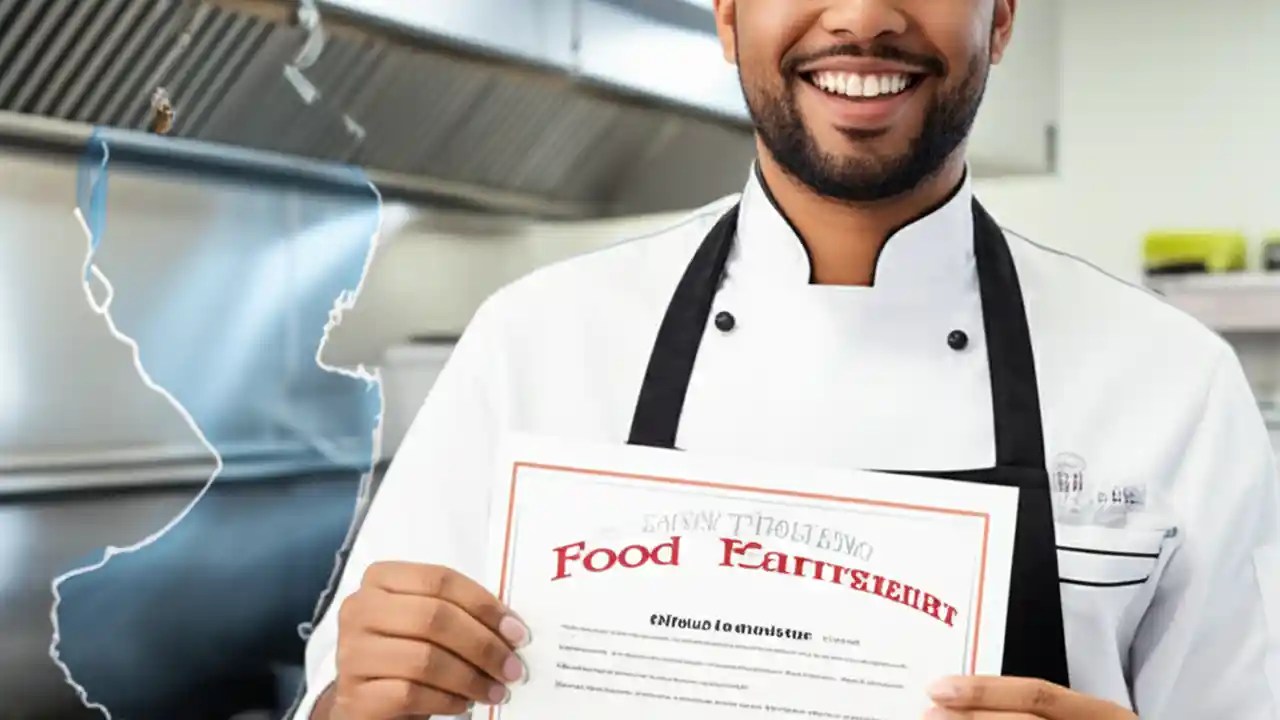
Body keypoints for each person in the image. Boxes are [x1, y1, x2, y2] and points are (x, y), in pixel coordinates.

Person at [291, 0, 1280, 718]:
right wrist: (354, 701)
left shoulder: (1170, 386)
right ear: (725, 15)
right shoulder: (534, 343)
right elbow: (349, 703)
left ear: (1002, 18)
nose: (859, 16)